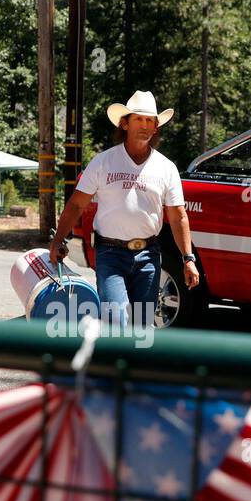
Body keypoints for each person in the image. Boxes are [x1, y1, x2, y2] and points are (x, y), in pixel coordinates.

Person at [49, 91, 199, 330]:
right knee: (116, 321)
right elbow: (77, 204)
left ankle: (133, 366)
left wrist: (188, 259)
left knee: (141, 328)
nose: (145, 125)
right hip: (110, 254)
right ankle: (109, 364)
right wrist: (58, 239)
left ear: (156, 127)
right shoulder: (103, 162)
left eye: (150, 120)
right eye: (138, 119)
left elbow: (178, 215)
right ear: (125, 123)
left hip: (149, 256)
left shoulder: (166, 168)